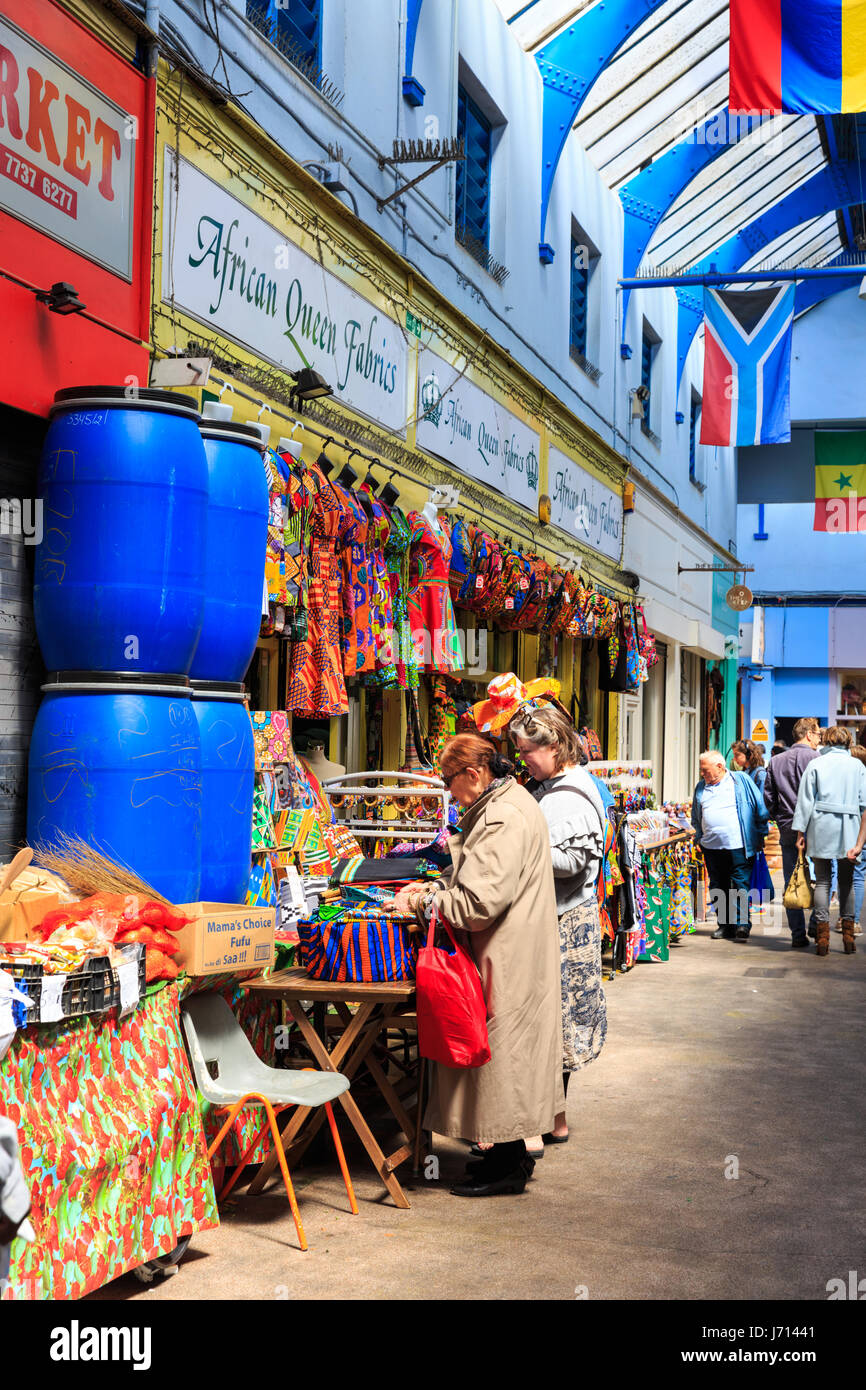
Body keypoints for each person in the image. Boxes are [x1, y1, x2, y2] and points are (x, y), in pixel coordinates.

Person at [388, 733, 563, 1197]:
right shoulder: (508, 803)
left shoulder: (503, 815)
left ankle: (507, 1165)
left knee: (501, 1059)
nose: (448, 792)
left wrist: (425, 901)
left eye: (449, 781)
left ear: (474, 773)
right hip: (512, 949)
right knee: (505, 1058)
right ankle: (505, 1156)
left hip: (507, 955)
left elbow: (478, 902)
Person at [508, 703, 607, 1156]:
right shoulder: (559, 785)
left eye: (528, 750)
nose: (523, 758)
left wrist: (518, 851)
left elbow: (571, 863)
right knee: (557, 1019)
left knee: (555, 1019)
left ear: (554, 745)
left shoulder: (567, 794)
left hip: (566, 920)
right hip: (568, 916)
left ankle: (551, 1119)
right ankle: (555, 1119)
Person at [793, 726, 866, 955]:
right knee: (847, 881)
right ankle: (848, 936)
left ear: (826, 740)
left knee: (823, 881)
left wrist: (800, 833)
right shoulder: (858, 766)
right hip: (850, 828)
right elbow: (864, 806)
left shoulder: (816, 764)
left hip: (821, 826)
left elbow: (805, 802)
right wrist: (860, 842)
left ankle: (822, 938)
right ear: (847, 742)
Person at [691, 750, 769, 941]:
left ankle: (742, 925)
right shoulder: (701, 787)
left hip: (738, 844)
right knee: (718, 886)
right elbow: (695, 815)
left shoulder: (740, 780)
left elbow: (759, 806)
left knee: (740, 884)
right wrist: (699, 838)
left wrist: (761, 834)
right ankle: (725, 926)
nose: (702, 774)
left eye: (705, 770)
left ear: (719, 767)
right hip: (711, 846)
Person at [763, 716, 821, 947]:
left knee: (791, 879)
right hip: (817, 825)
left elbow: (768, 796)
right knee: (824, 876)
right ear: (808, 734)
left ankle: (798, 934)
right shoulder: (818, 759)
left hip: (788, 826)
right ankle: (818, 920)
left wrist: (778, 817)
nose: (819, 739)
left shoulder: (776, 761)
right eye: (818, 734)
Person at [847, 743, 866, 934]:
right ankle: (853, 921)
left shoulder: (847, 780)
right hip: (863, 834)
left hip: (849, 833)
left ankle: (846, 919)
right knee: (858, 877)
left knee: (838, 876)